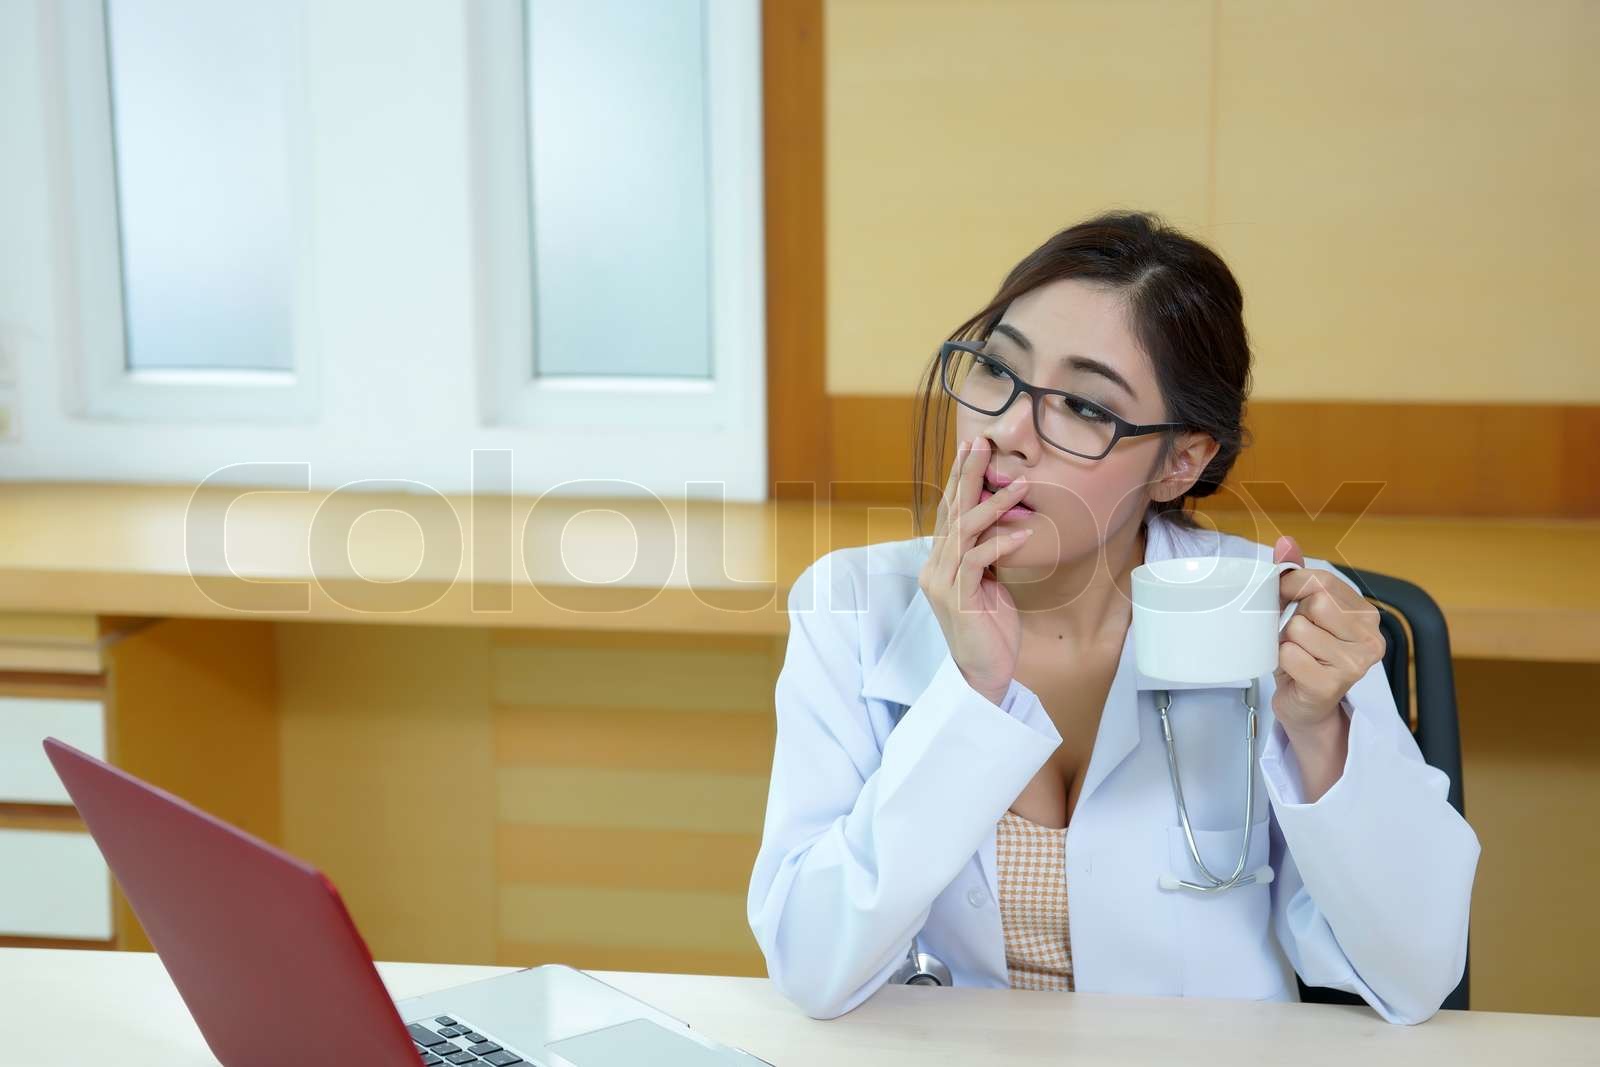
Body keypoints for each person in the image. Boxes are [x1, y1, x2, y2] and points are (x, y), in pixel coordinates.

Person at [746, 211, 1479, 1023]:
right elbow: (812, 963)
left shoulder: (1273, 616)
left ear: (1181, 462)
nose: (1008, 431)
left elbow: (1415, 974)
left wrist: (1320, 733)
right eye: (996, 369)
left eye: (1086, 407)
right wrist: (969, 694)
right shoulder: (851, 604)